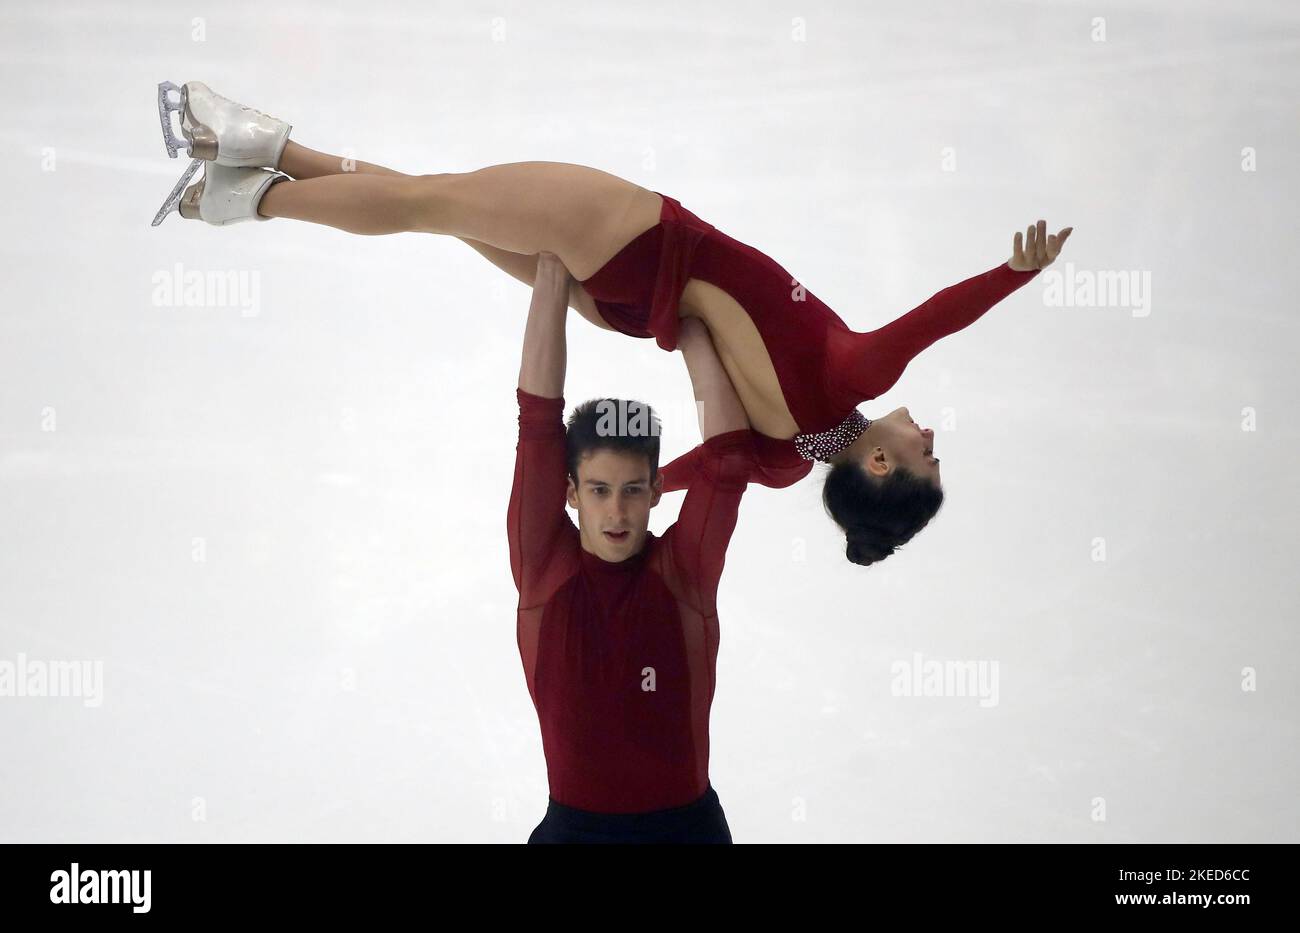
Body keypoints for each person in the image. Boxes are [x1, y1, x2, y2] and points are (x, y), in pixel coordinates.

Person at [152, 80, 1073, 566]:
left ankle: (247, 196)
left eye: (926, 454)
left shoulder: (852, 376)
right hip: (625, 308)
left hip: (633, 240)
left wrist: (1012, 273)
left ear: (880, 465)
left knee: (429, 203)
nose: (929, 433)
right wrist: (590, 493)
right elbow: (676, 478)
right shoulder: (787, 461)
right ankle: (258, 149)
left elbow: (930, 325)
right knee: (439, 206)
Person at [510, 250, 754, 843]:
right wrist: (551, 272)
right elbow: (537, 421)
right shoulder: (544, 566)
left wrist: (689, 330)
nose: (616, 511)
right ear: (569, 493)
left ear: (657, 491)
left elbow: (726, 463)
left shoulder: (683, 573)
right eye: (598, 490)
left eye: (631, 490)